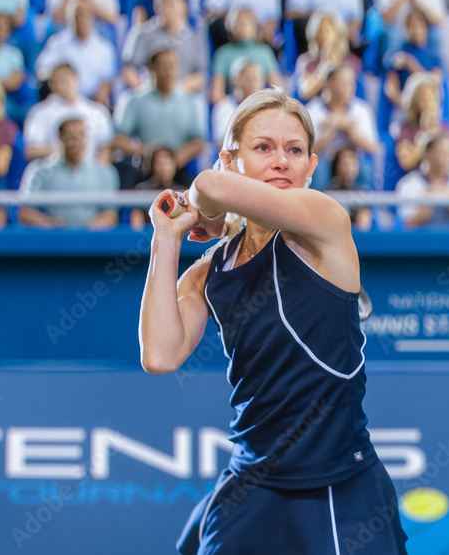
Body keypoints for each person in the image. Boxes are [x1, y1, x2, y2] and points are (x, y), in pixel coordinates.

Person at [138, 87, 408, 554]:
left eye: (294, 150)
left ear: (310, 166)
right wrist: (168, 236)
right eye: (263, 148)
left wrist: (212, 211)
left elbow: (210, 187)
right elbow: (160, 355)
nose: (281, 161)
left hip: (338, 485)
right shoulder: (208, 271)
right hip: (252, 482)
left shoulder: (325, 220)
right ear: (232, 157)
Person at [112, 47, 206, 189]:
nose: (169, 71)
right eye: (163, 66)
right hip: (143, 167)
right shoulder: (133, 99)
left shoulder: (191, 101)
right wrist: (150, 155)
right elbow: (118, 140)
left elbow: (198, 142)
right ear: (151, 69)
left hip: (178, 169)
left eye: (173, 65)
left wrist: (172, 162)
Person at [19, 117, 119, 229]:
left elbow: (110, 215)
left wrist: (85, 232)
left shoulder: (105, 173)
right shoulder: (40, 171)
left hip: (92, 242)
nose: (75, 140)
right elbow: (25, 213)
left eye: (81, 135)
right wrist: (51, 224)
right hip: (53, 241)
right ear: (60, 137)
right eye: (70, 135)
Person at [306, 64, 379, 189]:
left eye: (351, 84)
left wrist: (348, 128)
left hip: (352, 162)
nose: (349, 88)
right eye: (343, 83)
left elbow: (372, 147)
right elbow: (310, 151)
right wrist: (333, 127)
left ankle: (364, 208)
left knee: (365, 169)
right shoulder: (313, 110)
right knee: (318, 169)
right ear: (329, 83)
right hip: (325, 161)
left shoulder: (362, 109)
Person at [24, 63, 114, 163]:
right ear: (52, 84)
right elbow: (31, 151)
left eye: (68, 77)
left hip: (89, 173)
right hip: (55, 173)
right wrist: (64, 151)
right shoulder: (39, 113)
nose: (66, 82)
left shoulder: (97, 111)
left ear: (77, 78)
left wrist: (96, 174)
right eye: (60, 79)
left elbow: (105, 148)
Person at [35, 0, 118, 106]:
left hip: (93, 103)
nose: (80, 20)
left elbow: (108, 79)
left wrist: (98, 100)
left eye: (84, 15)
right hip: (61, 101)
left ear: (91, 18)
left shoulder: (105, 48)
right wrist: (57, 82)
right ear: (69, 18)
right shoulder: (56, 43)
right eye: (76, 16)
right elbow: (42, 71)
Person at [121, 0, 207, 93]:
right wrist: (143, 91)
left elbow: (201, 77)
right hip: (150, 96)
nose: (164, 8)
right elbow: (128, 70)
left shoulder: (195, 38)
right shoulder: (142, 34)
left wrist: (174, 91)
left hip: (183, 99)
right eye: (159, 3)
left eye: (169, 3)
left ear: (183, 5)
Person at [395, 134, 449, 228]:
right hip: (421, 241)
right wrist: (426, 208)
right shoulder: (408, 184)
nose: (448, 158)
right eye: (442, 153)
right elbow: (404, 226)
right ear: (428, 153)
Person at [209, 5, 284, 104]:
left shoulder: (264, 52)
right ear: (231, 26)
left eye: (247, 20)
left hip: (259, 104)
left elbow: (279, 89)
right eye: (239, 22)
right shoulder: (223, 53)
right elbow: (216, 95)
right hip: (233, 107)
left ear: (255, 25)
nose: (243, 24)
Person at [292, 8, 362, 102]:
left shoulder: (352, 62)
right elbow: (305, 93)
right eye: (321, 31)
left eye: (329, 30)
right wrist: (325, 65)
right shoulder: (306, 61)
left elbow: (352, 95)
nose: (325, 35)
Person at [383, 8, 443, 110]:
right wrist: (407, 107)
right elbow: (391, 90)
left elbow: (433, 84)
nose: (416, 30)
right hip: (403, 108)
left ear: (426, 27)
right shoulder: (399, 53)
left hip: (427, 108)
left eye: (419, 25)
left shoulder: (434, 57)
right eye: (412, 26)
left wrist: (411, 65)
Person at [395, 71, 449, 175]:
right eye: (424, 99)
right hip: (414, 180)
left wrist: (435, 133)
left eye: (432, 99)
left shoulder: (444, 129)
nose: (429, 104)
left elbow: (447, 164)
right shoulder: (405, 130)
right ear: (416, 102)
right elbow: (407, 163)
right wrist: (425, 135)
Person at [284, 0, 365, 57]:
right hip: (313, 30)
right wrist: (311, 14)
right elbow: (290, 12)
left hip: (342, 33)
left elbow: (356, 17)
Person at [129, 146, 190, 230]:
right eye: (160, 163)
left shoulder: (182, 191)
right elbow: (136, 224)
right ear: (152, 166)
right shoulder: (142, 189)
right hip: (148, 236)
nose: (164, 168)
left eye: (167, 163)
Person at [212, 59, 265, 149]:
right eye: (249, 79)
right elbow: (221, 144)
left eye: (256, 79)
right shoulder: (223, 107)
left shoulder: (269, 109)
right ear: (238, 81)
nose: (253, 84)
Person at [326, 147, 373, 230]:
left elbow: (363, 227)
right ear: (336, 166)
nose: (350, 168)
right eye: (345, 164)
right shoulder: (326, 194)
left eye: (353, 164)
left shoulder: (362, 194)